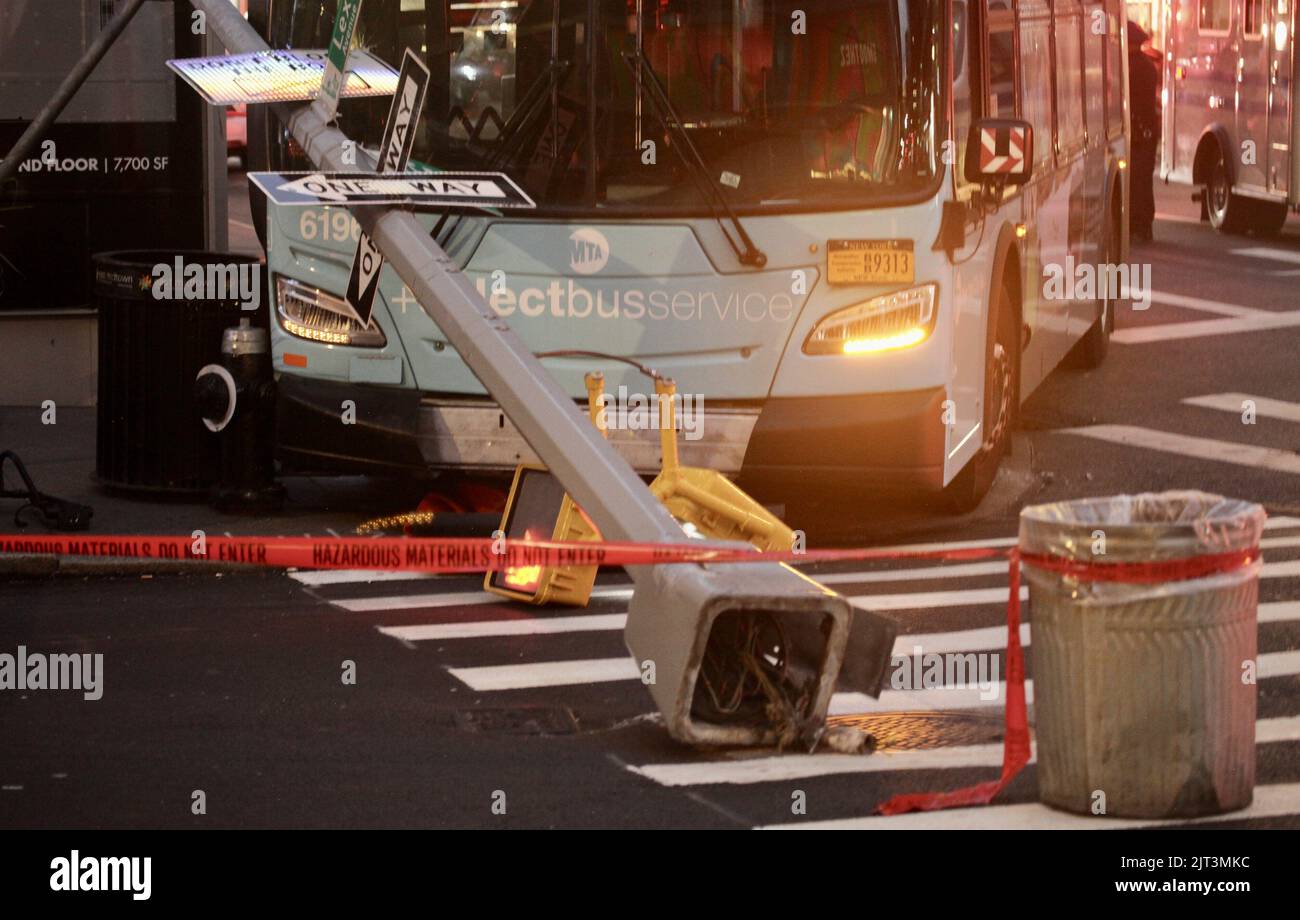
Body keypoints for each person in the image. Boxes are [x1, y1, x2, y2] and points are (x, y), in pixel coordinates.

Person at [1127, 20, 1161, 242]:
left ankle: (1137, 223)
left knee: (1135, 178)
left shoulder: (1131, 67)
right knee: (1144, 178)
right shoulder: (1148, 65)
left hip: (1138, 130)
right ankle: (1144, 223)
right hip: (1148, 129)